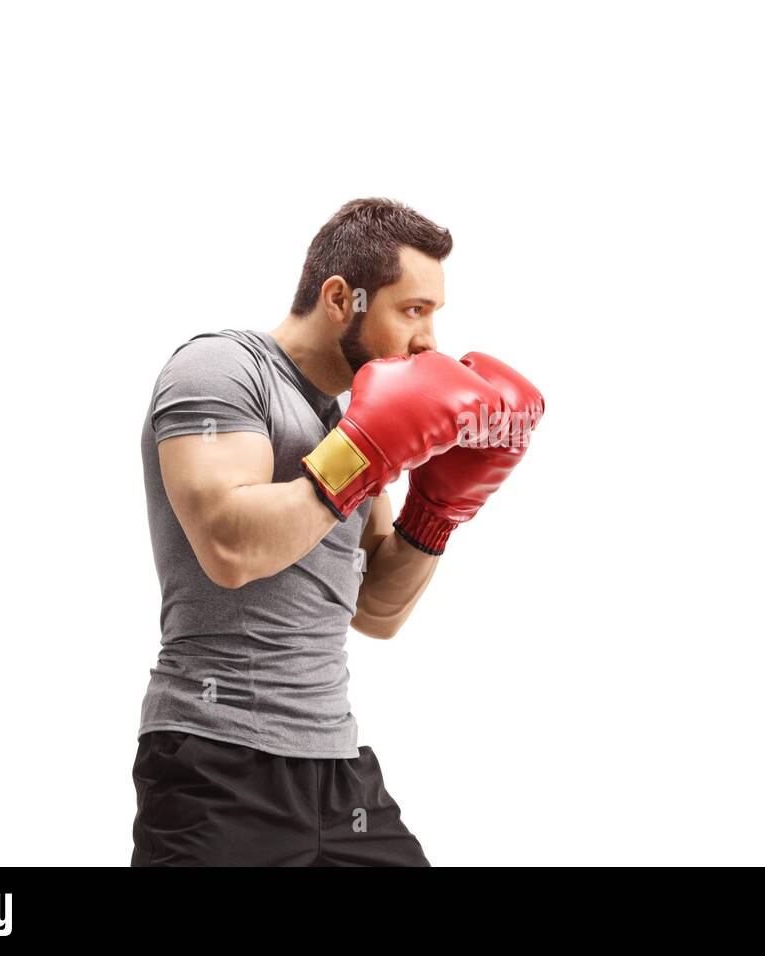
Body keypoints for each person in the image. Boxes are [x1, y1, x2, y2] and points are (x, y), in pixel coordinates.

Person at [130, 198, 543, 866]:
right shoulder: (221, 371)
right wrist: (366, 449)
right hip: (216, 763)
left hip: (337, 766)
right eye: (412, 310)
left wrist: (433, 513)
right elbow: (230, 548)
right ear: (339, 298)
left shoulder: (358, 413)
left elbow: (375, 612)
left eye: (435, 312)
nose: (431, 339)